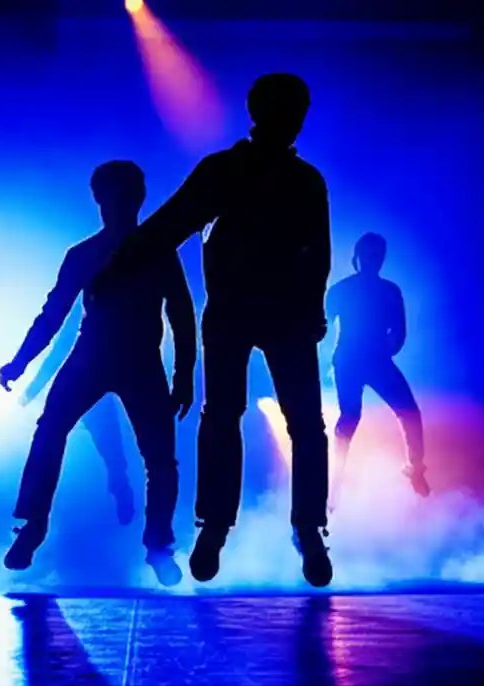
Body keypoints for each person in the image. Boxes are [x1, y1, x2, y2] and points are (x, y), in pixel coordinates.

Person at [107, 73, 333, 587]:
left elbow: (170, 226)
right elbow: (317, 253)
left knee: (230, 418)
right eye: (290, 108)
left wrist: (118, 266)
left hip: (245, 310)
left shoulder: (234, 171)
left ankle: (226, 529)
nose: (292, 118)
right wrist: (122, 263)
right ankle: (297, 530)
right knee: (293, 425)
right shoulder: (294, 179)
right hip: (268, 312)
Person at [0, 160, 195, 587]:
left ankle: (39, 528)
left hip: (113, 356)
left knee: (60, 434)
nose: (114, 203)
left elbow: (182, 313)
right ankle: (152, 545)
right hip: (115, 356)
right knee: (153, 458)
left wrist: (185, 375)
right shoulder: (121, 252)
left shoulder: (116, 252)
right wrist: (20, 360)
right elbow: (53, 315)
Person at [327, 232, 429, 504]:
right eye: (368, 256)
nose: (372, 261)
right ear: (356, 259)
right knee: (352, 417)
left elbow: (399, 333)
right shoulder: (346, 290)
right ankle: (335, 481)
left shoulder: (382, 291)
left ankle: (415, 469)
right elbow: (320, 326)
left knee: (403, 413)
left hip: (368, 360)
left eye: (376, 256)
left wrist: (384, 351)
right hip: (353, 360)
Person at [19, 301, 136, 526]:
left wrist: (32, 390)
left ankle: (36, 519)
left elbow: (60, 349)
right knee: (109, 450)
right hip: (84, 381)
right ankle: (122, 495)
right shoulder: (87, 301)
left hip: (86, 381)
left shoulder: (89, 300)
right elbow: (61, 348)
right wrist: (32, 390)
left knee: (106, 448)